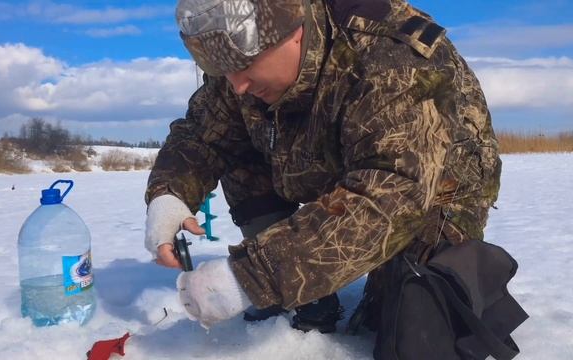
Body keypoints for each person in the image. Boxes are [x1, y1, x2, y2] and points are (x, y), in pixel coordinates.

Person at [144, 0, 501, 334]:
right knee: (239, 145)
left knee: (410, 326)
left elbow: (391, 193)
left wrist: (253, 276)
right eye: (224, 70)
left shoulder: (389, 56)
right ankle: (306, 295)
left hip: (434, 191)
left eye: (244, 67)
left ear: (294, 32)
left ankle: (299, 274)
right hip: (323, 162)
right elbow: (203, 135)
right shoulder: (242, 64)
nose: (237, 86)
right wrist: (169, 196)